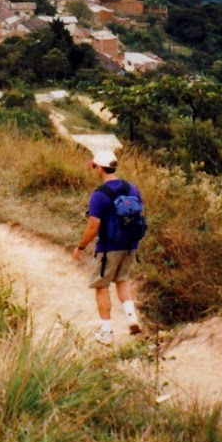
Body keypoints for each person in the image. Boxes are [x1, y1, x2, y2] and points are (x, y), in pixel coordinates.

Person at [71, 137, 144, 345]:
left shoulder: (99, 195)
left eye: (95, 167)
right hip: (130, 245)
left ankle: (106, 331)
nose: (95, 170)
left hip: (108, 247)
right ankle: (131, 317)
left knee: (101, 286)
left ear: (101, 169)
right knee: (122, 279)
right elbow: (140, 215)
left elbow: (93, 227)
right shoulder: (132, 188)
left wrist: (80, 247)